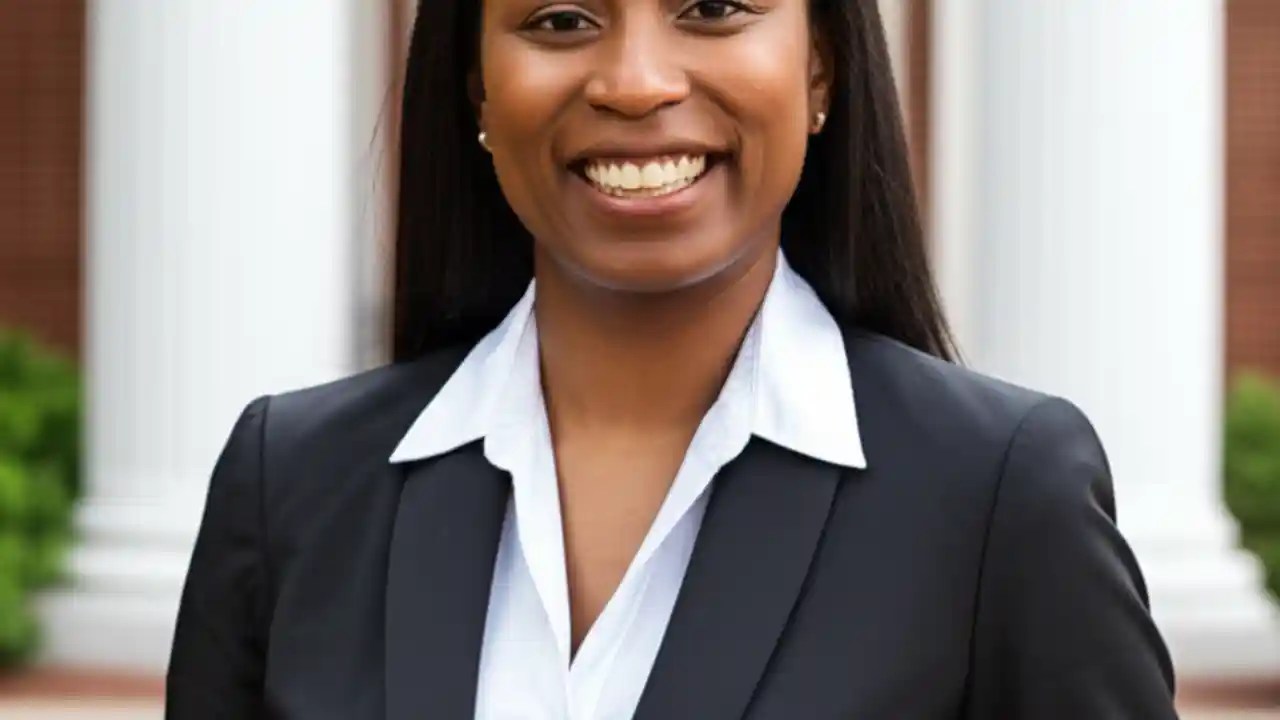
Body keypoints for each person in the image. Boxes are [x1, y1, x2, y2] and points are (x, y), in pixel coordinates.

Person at [165, 0, 1178, 717]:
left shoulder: (998, 498)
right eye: (561, 19)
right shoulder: (291, 484)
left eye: (713, 8)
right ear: (476, 85)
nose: (636, 83)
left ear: (819, 65)